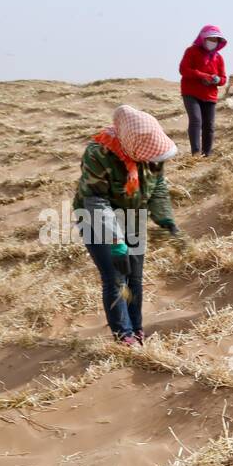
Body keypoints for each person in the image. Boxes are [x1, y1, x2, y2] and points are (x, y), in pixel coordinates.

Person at [73, 105, 180, 346]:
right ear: (134, 148)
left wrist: (165, 219)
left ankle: (136, 328)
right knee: (115, 277)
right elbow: (96, 200)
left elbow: (158, 186)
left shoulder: (151, 151)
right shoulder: (98, 154)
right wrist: (116, 242)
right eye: (151, 160)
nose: (155, 164)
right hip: (96, 218)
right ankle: (123, 335)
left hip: (132, 216)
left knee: (134, 276)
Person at [179, 25, 227, 156]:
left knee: (209, 125)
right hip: (191, 92)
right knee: (196, 120)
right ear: (203, 38)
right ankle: (195, 152)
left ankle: (207, 153)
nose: (213, 42)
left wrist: (216, 80)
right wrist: (203, 76)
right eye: (210, 38)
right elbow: (184, 70)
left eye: (215, 39)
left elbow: (223, 79)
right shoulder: (191, 51)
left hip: (210, 95)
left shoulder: (219, 58)